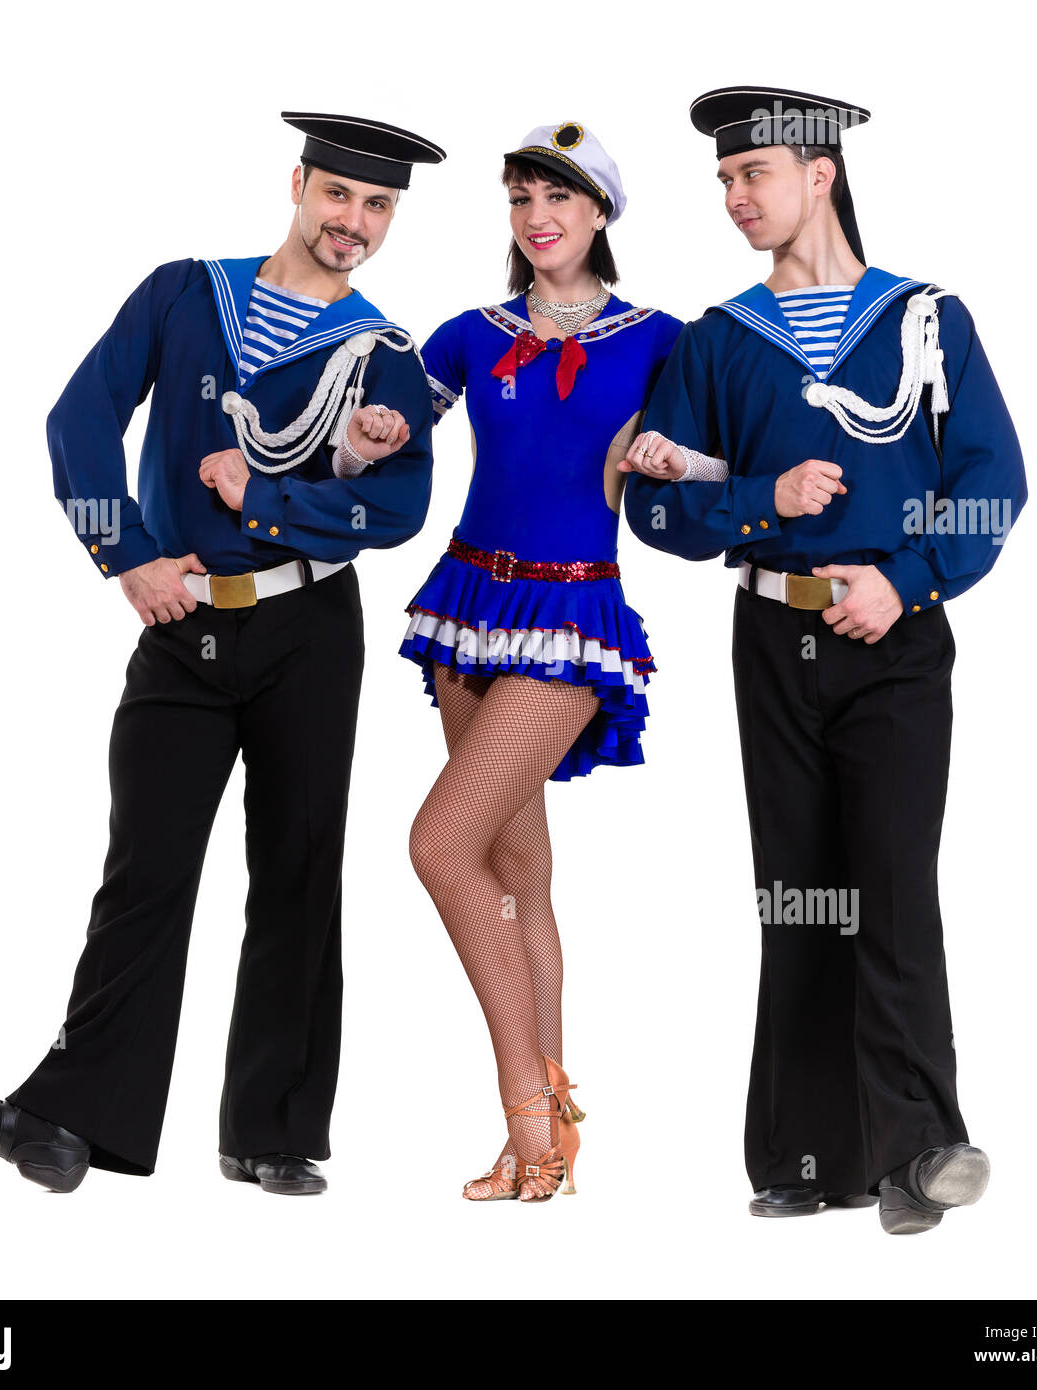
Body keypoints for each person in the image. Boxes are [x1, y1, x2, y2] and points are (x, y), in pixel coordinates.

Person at [0, 112, 445, 1196]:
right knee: (147, 868)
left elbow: (396, 511)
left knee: (298, 872)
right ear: (298, 183)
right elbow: (78, 420)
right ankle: (68, 1123)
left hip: (309, 629)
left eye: (379, 206)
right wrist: (128, 556)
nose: (355, 222)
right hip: (181, 621)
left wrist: (275, 494)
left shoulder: (385, 353)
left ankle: (276, 1133)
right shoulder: (184, 290)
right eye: (340, 195)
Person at [621, 86, 1027, 1233]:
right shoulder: (719, 341)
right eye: (724, 182)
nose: (737, 198)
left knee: (891, 887)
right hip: (772, 634)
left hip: (897, 640)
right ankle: (805, 1153)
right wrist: (760, 502)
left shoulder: (925, 321)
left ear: (820, 173)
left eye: (754, 174)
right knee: (802, 893)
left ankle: (920, 1153)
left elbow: (991, 481)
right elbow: (657, 508)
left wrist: (904, 579)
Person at [350, 122, 681, 1200]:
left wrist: (675, 456)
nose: (539, 216)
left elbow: (716, 464)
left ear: (600, 217)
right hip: (465, 608)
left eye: (562, 198)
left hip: (569, 619)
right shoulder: (469, 331)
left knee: (439, 846)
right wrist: (372, 436)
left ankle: (528, 1115)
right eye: (523, 196)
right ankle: (545, 1135)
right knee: (515, 875)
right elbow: (388, 432)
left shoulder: (660, 339)